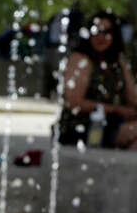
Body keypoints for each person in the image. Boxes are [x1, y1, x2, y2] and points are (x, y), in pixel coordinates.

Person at [58, 10, 137, 150]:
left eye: (106, 32)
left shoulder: (117, 61)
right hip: (83, 127)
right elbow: (74, 102)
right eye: (96, 31)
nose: (101, 36)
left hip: (113, 124)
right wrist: (116, 110)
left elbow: (133, 97)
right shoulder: (81, 60)